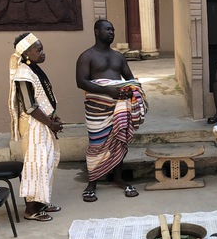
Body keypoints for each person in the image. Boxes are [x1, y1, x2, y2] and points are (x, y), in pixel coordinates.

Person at [75, 19, 148, 202]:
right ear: (96, 32)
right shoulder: (87, 56)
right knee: (96, 144)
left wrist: (130, 90)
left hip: (118, 107)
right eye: (107, 29)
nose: (111, 33)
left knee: (119, 140)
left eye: (113, 30)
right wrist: (107, 91)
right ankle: (92, 183)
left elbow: (130, 79)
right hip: (97, 110)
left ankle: (118, 178)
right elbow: (81, 82)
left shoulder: (118, 57)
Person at [8, 32, 62, 221]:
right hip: (34, 127)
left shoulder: (33, 69)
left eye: (42, 49)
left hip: (43, 123)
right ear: (26, 53)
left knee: (47, 163)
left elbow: (43, 98)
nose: (42, 53)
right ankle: (31, 210)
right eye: (38, 50)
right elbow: (30, 107)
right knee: (36, 165)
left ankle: (41, 202)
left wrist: (53, 118)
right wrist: (51, 124)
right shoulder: (23, 74)